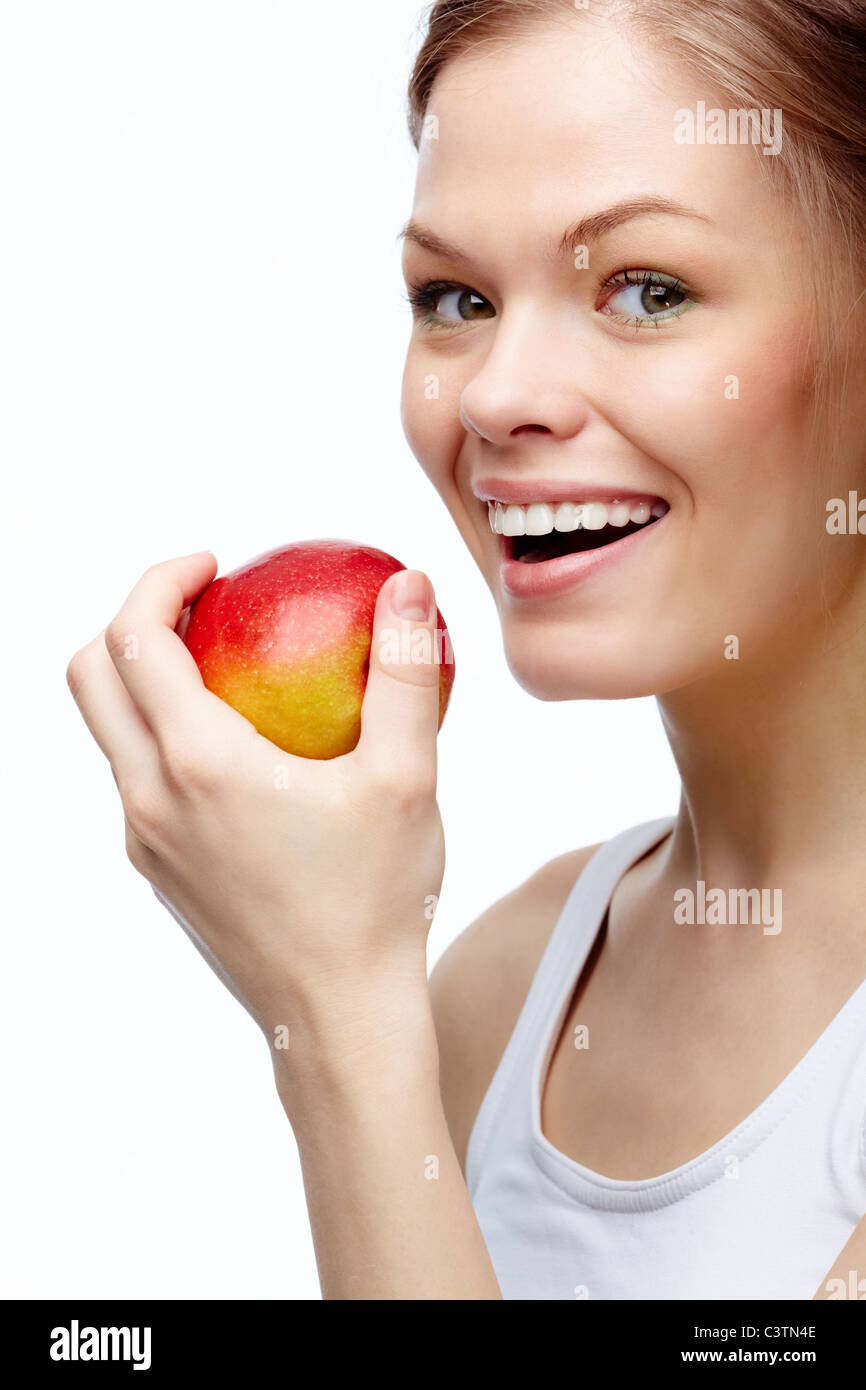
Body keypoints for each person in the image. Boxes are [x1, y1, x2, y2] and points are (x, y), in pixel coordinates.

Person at [67, 0, 866, 1299]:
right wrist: (356, 1017)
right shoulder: (499, 993)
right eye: (454, 296)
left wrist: (335, 1017)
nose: (492, 394)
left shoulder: (388, 1013)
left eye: (645, 289)